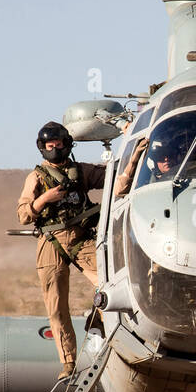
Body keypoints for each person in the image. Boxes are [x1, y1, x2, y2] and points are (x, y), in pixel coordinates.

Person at [17, 121, 142, 378]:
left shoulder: (81, 172)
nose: (54, 149)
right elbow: (23, 215)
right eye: (49, 146)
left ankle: (99, 327)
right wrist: (44, 199)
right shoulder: (37, 177)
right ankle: (69, 364)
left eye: (58, 145)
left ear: (67, 145)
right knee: (56, 307)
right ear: (42, 148)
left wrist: (132, 162)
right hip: (50, 244)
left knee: (112, 286)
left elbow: (115, 185)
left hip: (81, 240)